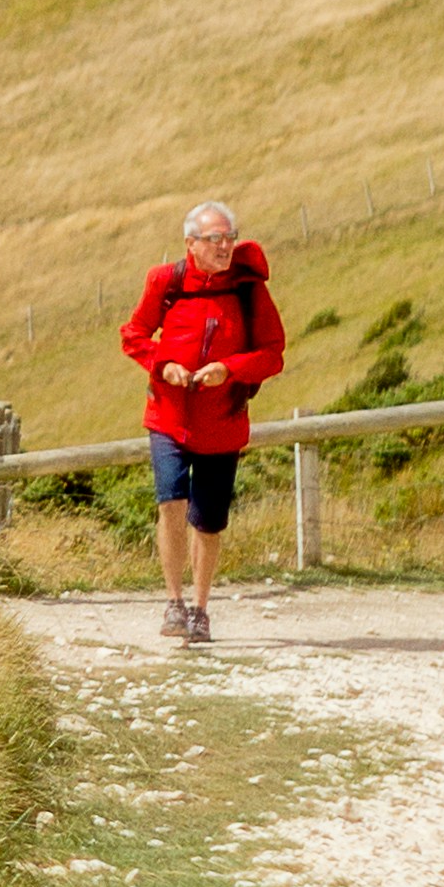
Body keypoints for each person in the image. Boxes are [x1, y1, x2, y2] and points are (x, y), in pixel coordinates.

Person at [120, 201, 287, 644]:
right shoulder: (166, 282)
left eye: (230, 237)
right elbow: (133, 335)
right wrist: (165, 364)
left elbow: (273, 354)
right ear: (190, 243)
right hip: (168, 417)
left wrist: (229, 370)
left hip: (222, 423)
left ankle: (200, 608)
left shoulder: (249, 289)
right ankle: (173, 602)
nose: (225, 246)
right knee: (170, 503)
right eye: (215, 239)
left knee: (208, 521)